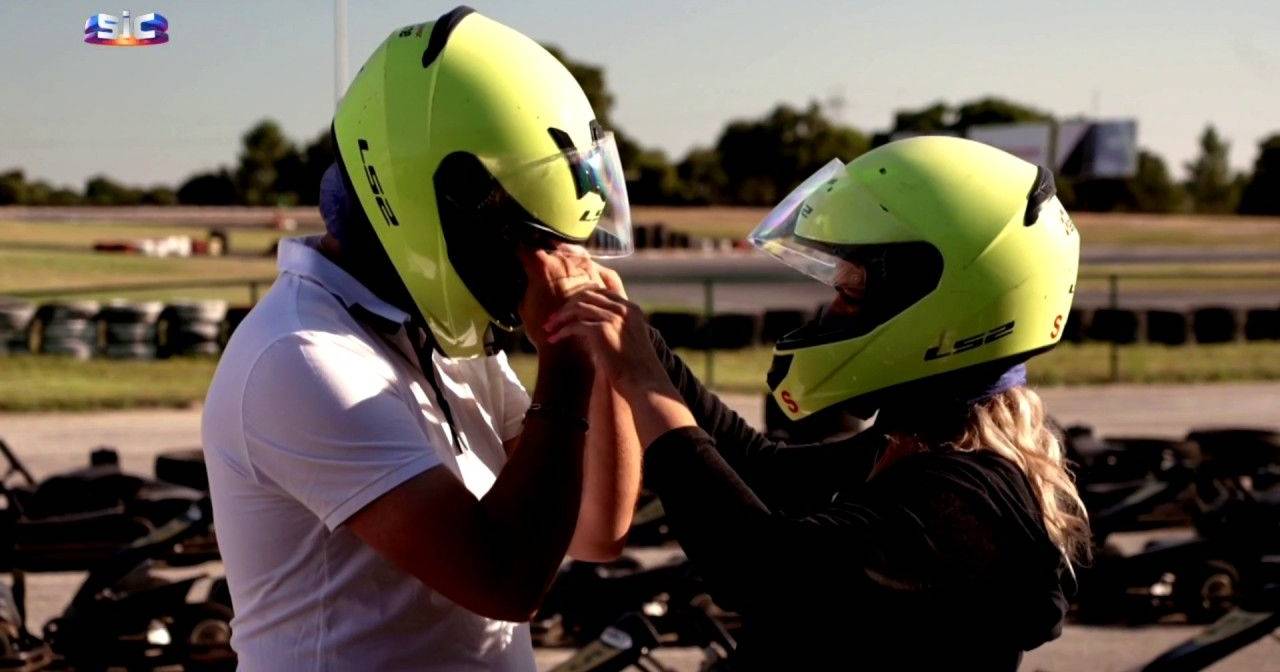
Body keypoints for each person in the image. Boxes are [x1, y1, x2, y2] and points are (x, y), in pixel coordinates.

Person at [201, 7, 640, 670]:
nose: (551, 269)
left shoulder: (438, 337)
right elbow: (505, 580)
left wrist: (597, 349)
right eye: (531, 241)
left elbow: (598, 529)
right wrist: (567, 363)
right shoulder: (303, 358)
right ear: (437, 207)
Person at [547, 136, 1090, 670]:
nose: (831, 309)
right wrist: (632, 330)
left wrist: (643, 385)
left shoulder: (965, 507)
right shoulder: (916, 447)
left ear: (939, 314)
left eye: (851, 294)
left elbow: (759, 569)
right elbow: (763, 469)